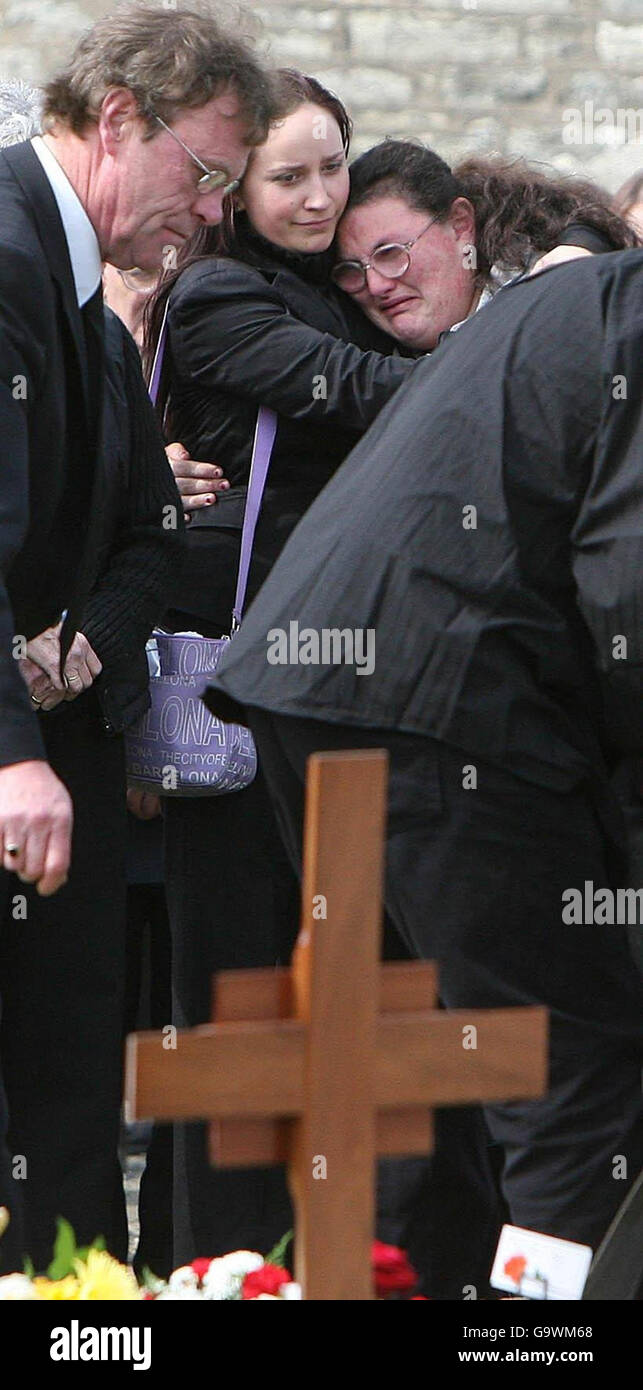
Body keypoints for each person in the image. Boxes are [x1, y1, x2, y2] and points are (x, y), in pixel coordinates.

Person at [209, 248, 643, 1260]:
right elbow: (629, 595)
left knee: (404, 1059)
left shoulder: (575, 297)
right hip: (444, 696)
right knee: (565, 1068)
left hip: (322, 679)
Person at [0, 5, 274, 1272]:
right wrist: (10, 751)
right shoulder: (6, 253)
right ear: (119, 119)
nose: (215, 210)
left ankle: (79, 1311)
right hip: (22, 771)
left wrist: (84, 642)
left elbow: (147, 532)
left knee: (64, 1082)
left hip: (66, 752)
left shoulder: (88, 316)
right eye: (207, 172)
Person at [144, 68, 420, 1266]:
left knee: (352, 1001)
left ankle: (338, 1264)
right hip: (246, 699)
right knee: (239, 998)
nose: (318, 197)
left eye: (331, 168)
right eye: (287, 175)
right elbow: (359, 397)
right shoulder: (216, 295)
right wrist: (507, 377)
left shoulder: (345, 290)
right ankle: (223, 1268)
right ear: (232, 190)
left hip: (349, 696)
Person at [332, 141, 638, 350]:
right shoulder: (354, 354)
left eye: (390, 253)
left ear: (460, 225)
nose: (375, 286)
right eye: (352, 270)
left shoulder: (563, 311)